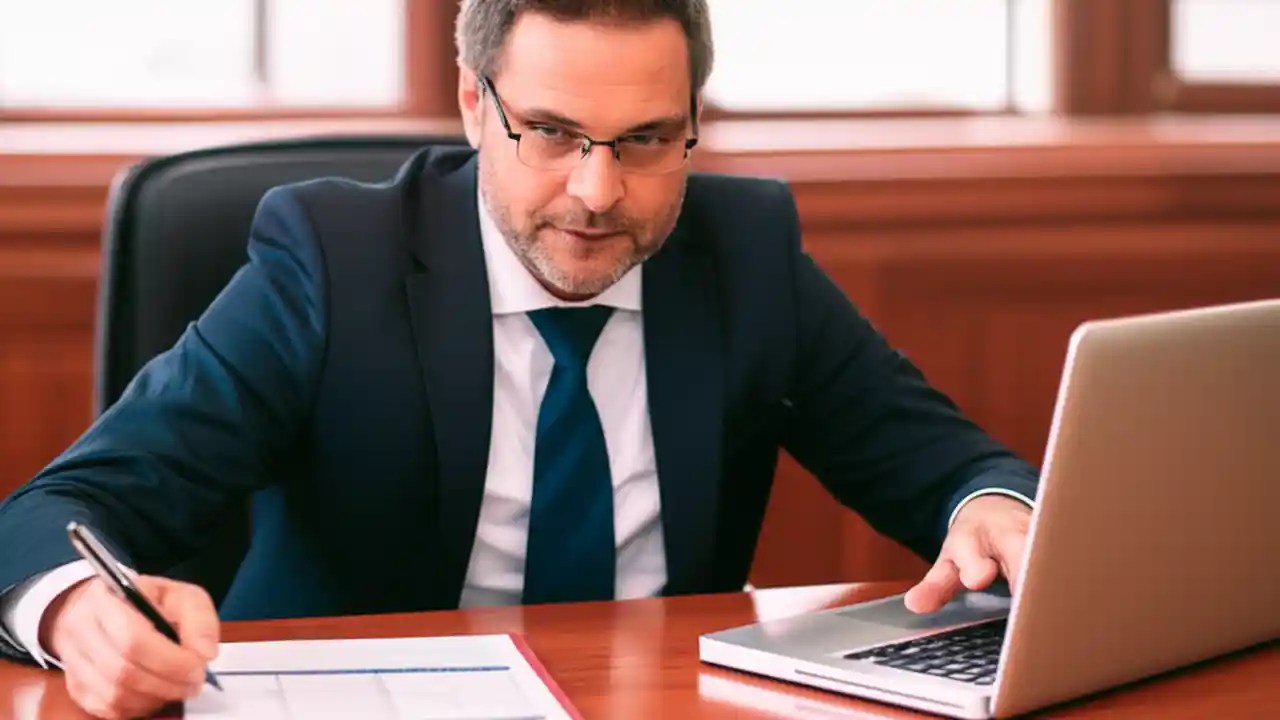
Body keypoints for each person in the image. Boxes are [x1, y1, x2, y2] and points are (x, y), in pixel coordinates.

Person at [0, 1, 1038, 717]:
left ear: (692, 128)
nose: (595, 191)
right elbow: (55, 515)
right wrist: (82, 612)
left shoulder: (743, 253)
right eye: (549, 131)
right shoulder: (332, 260)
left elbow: (952, 471)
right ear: (471, 104)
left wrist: (995, 506)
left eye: (642, 140)